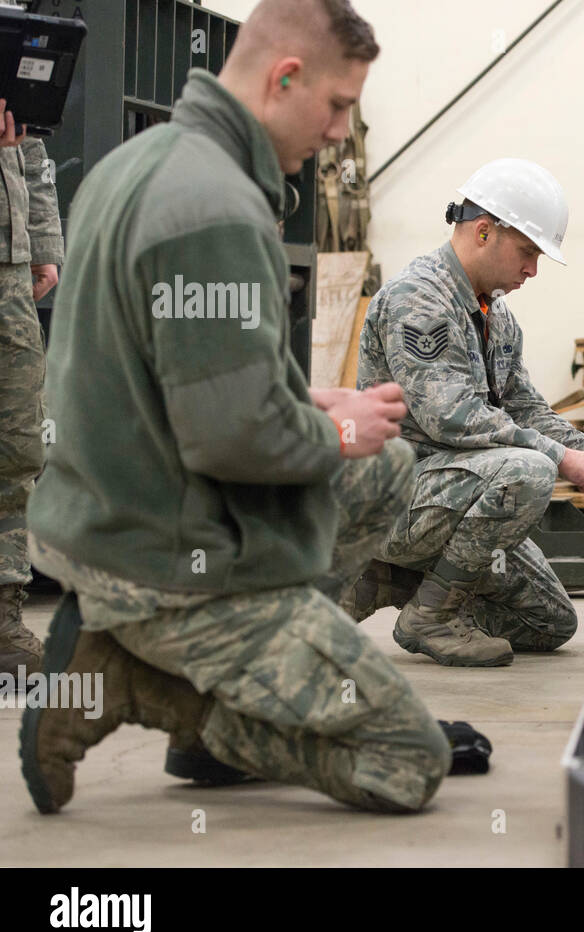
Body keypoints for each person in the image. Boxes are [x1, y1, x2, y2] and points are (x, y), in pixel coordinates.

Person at [21, 0, 453, 815]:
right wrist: (330, 426)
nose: (337, 132)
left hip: (117, 512)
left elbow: (171, 377)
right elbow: (231, 436)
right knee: (407, 758)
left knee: (388, 469)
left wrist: (303, 401)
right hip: (164, 561)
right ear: (283, 78)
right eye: (334, 107)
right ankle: (150, 687)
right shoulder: (214, 206)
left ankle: (196, 677)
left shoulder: (139, 163)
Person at [348, 158, 584, 667]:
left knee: (551, 622)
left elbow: (527, 409)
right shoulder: (418, 299)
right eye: (528, 251)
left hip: (451, 494)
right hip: (396, 497)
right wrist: (560, 461)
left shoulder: (496, 315)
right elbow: (454, 416)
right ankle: (434, 616)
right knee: (528, 470)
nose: (532, 269)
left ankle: (397, 580)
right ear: (484, 231)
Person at [0, 94, 63, 678]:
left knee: (18, 442)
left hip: (9, 268)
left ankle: (2, 621)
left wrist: (42, 247)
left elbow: (34, 147)